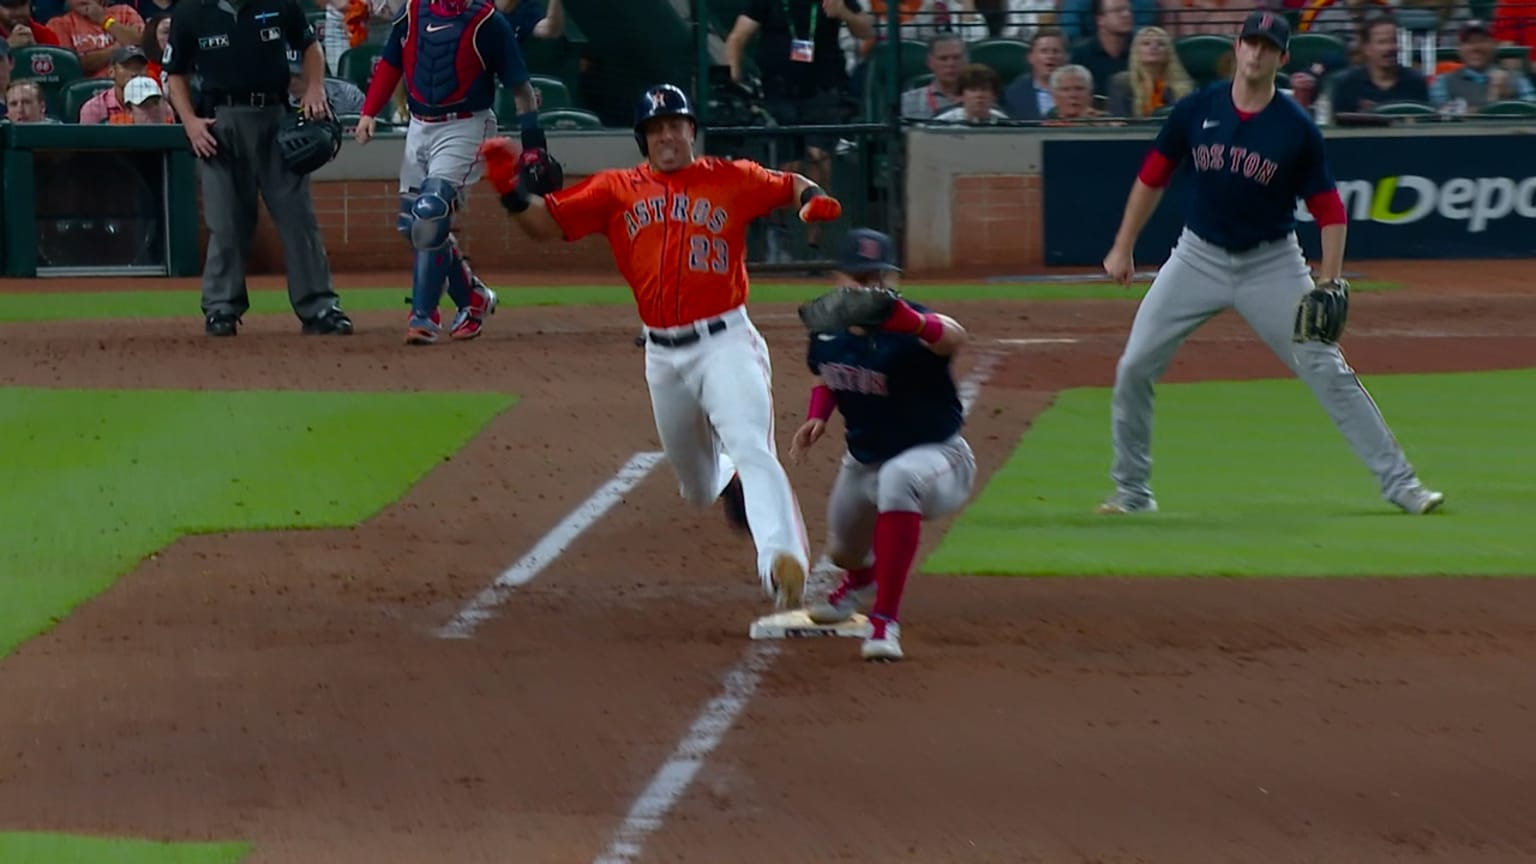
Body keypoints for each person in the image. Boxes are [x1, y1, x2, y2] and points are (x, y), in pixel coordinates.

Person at [476, 84, 847, 611]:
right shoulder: (615, 189)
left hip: (726, 342)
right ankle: (726, 479)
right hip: (663, 356)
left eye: (675, 125)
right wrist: (508, 190)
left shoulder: (731, 177)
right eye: (656, 129)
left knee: (752, 444)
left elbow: (791, 184)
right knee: (696, 485)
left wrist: (811, 201)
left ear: (691, 130)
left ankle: (781, 565)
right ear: (643, 139)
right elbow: (545, 225)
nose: (667, 136)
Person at [1098, 11, 1444, 517]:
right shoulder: (1198, 108)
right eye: (1250, 42)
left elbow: (1329, 209)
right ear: (1236, 47)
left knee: (1325, 367)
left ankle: (1403, 484)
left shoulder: (1295, 128)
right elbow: (1154, 175)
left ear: (1282, 58)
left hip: (1271, 263)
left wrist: (1330, 278)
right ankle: (1131, 493)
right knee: (1134, 366)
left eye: (1267, 46)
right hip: (1197, 256)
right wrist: (1123, 245)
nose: (1256, 53)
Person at [792, 229, 975, 663]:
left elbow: (954, 336)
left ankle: (884, 621)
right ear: (839, 278)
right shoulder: (827, 329)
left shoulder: (913, 323)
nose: (869, 287)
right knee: (843, 551)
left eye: (878, 277)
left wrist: (909, 321)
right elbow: (829, 374)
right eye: (859, 277)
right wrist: (818, 415)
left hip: (939, 459)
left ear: (892, 279)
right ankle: (860, 581)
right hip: (863, 460)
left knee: (899, 479)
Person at [354, 0, 540, 344]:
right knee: (411, 226)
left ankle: (423, 316)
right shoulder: (412, 10)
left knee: (430, 212)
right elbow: (392, 61)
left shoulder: (487, 21)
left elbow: (520, 86)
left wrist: (533, 142)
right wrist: (369, 112)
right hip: (419, 125)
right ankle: (473, 296)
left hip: (465, 125)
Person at [164, 0, 353, 337]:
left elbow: (310, 46)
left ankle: (320, 306)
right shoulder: (191, 11)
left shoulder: (279, 3)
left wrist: (315, 86)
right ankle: (221, 308)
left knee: (298, 219)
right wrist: (189, 122)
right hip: (219, 123)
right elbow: (176, 74)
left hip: (275, 118)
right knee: (226, 223)